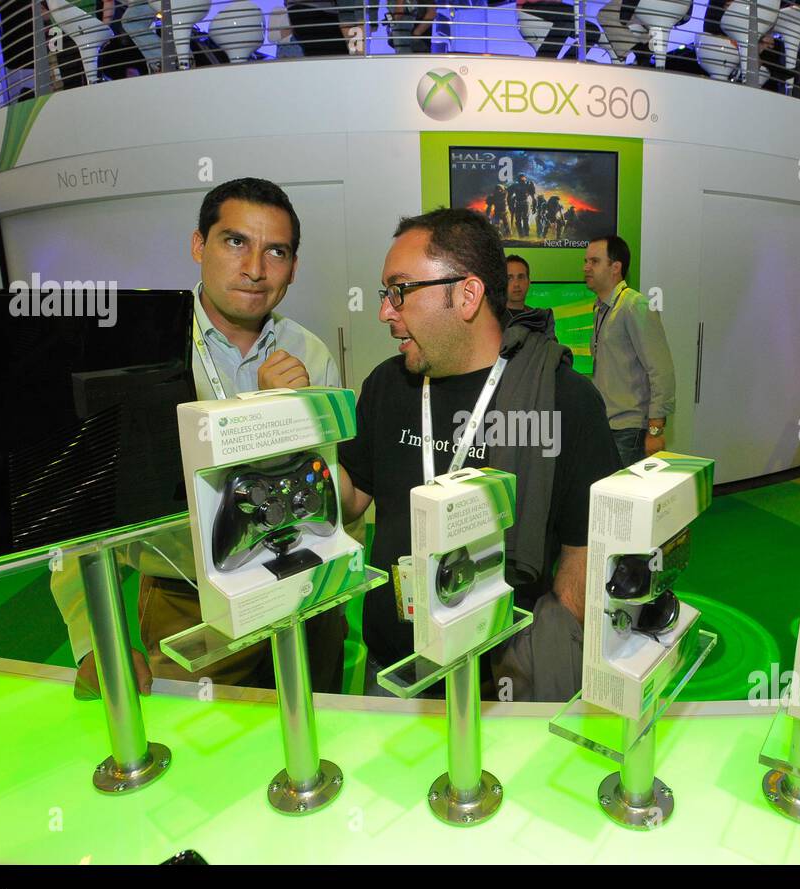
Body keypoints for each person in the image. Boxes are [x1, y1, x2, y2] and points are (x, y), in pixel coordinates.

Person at [52, 178, 345, 698]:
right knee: (204, 761)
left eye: (275, 251)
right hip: (187, 596)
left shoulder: (311, 353)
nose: (255, 269)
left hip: (304, 586)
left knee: (316, 732)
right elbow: (84, 507)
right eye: (235, 242)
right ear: (198, 245)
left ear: (293, 267)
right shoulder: (134, 352)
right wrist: (93, 637)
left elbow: (329, 491)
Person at [333, 208, 619, 700]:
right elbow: (352, 495)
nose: (385, 311)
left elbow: (584, 550)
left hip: (502, 679)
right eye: (385, 294)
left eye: (399, 291)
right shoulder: (387, 385)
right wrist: (293, 441)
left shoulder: (562, 399)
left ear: (466, 295)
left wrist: (549, 656)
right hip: (391, 668)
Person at [584, 235, 676, 469]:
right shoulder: (600, 308)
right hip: (606, 426)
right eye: (585, 261)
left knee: (623, 501)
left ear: (616, 267)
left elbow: (661, 370)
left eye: (594, 261)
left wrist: (655, 430)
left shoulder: (635, 306)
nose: (586, 267)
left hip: (630, 430)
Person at [505, 254, 557, 341]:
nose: (516, 284)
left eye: (521, 277)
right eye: (509, 278)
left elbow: (552, 351)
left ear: (529, 282)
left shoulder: (540, 319)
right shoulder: (492, 319)